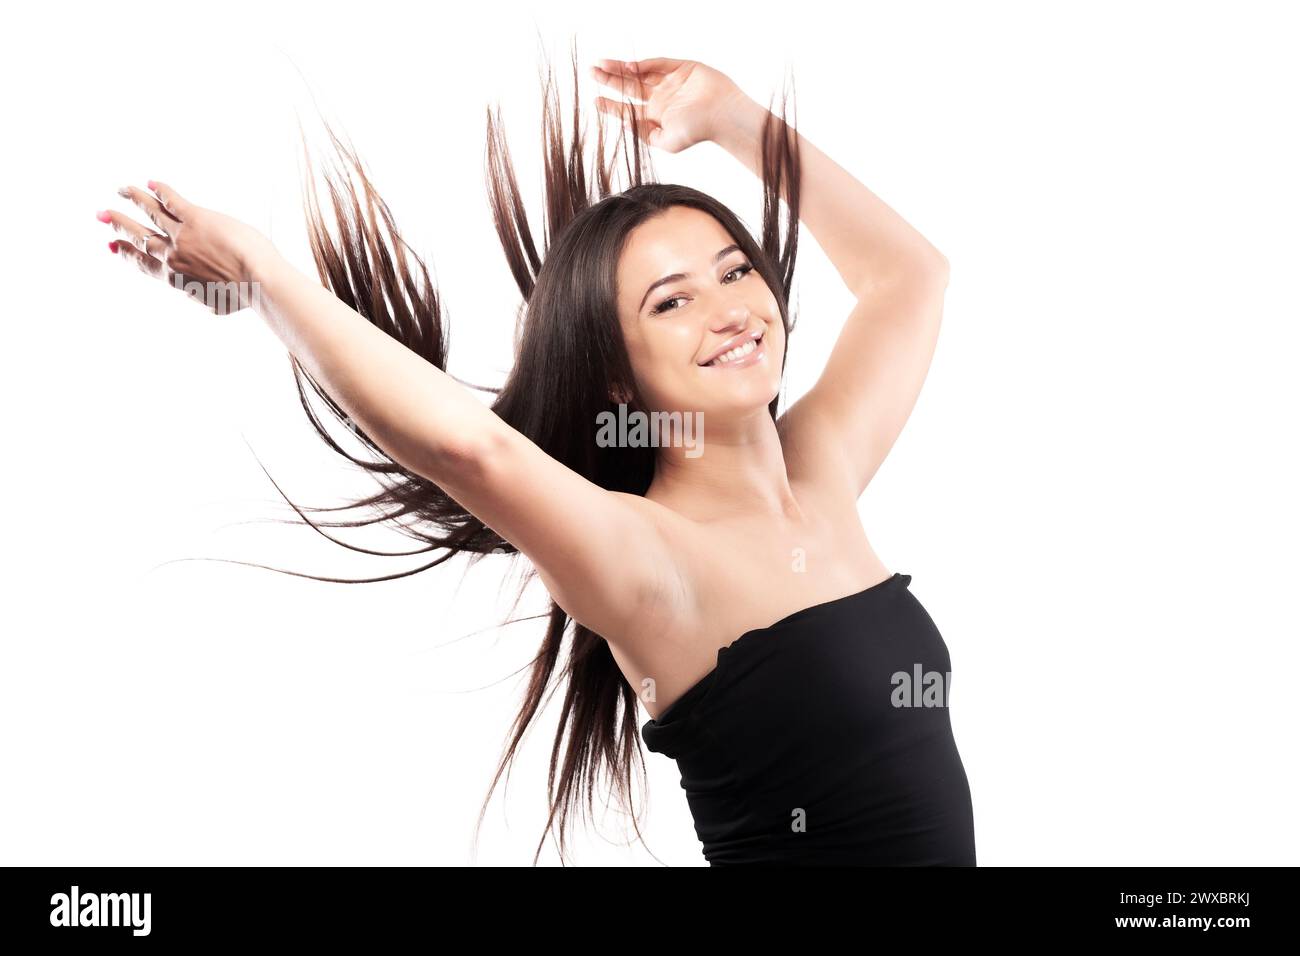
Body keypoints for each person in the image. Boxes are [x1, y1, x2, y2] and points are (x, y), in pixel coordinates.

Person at [96, 44, 972, 866]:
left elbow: (910, 278)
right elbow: (467, 448)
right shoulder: (646, 562)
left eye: (736, 272)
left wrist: (734, 117)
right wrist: (262, 276)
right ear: (617, 383)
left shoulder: (821, 475)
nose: (729, 309)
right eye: (671, 304)